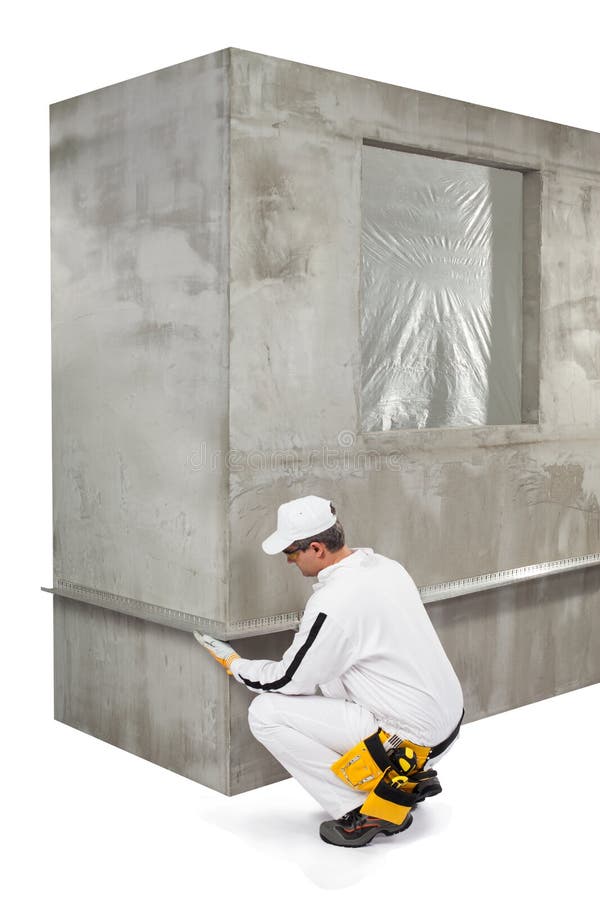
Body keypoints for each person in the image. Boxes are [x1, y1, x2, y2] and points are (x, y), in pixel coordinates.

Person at [194, 495, 464, 847]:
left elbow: (287, 680)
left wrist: (235, 664)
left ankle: (364, 810)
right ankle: (400, 775)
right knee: (332, 674)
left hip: (410, 740)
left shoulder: (334, 603)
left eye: (291, 552)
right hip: (447, 725)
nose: (289, 561)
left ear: (318, 549)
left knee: (265, 712)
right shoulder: (385, 566)